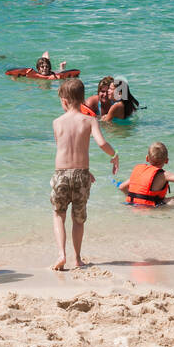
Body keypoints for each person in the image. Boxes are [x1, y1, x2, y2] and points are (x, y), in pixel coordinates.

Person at [51, 78, 118, 270]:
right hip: (81, 175)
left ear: (64, 100)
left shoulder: (57, 123)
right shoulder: (90, 120)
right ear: (82, 99)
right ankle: (78, 258)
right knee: (78, 220)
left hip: (61, 174)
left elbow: (63, 150)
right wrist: (115, 155)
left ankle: (61, 254)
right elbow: (102, 143)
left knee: (58, 214)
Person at [118, 142, 174, 208]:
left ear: (147, 158)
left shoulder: (139, 171)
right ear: (166, 161)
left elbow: (122, 187)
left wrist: (135, 199)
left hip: (133, 205)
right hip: (150, 206)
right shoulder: (164, 175)